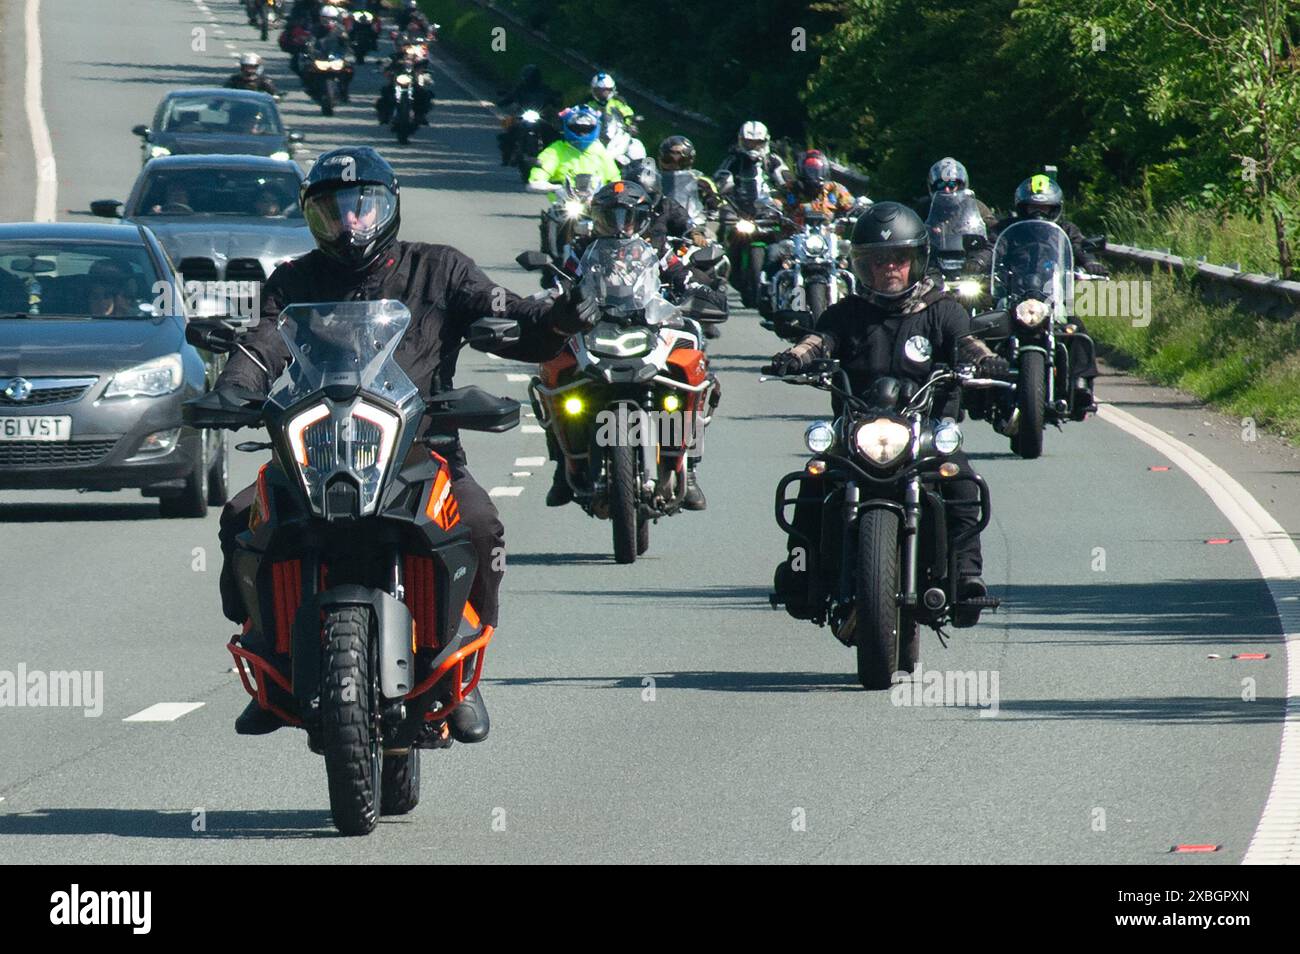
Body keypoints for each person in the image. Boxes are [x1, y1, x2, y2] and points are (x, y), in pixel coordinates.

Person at [212, 147, 597, 742]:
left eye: (362, 207)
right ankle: (272, 665)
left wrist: (562, 317)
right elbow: (265, 341)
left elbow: (514, 318)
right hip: (315, 450)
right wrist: (233, 391)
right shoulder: (294, 279)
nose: (350, 223)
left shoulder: (441, 268)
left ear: (388, 207)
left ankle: (466, 673)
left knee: (480, 523)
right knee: (241, 517)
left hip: (424, 447)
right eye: (333, 211)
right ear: (314, 217)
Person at [767, 202, 1006, 626]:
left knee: (963, 484)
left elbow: (968, 343)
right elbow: (819, 340)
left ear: (915, 261)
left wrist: (987, 361)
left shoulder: (941, 309)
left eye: (897, 259)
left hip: (924, 430)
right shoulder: (848, 314)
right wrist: (795, 356)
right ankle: (801, 572)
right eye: (878, 262)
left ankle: (967, 575)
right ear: (863, 266)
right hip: (856, 430)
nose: (889, 269)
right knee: (812, 483)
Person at [541, 180, 720, 510]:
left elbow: (684, 276)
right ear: (598, 217)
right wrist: (549, 300)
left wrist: (703, 291)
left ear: (642, 219)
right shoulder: (582, 250)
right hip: (596, 325)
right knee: (550, 371)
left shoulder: (657, 250)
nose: (621, 224)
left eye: (628, 216)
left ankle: (688, 470)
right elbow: (559, 283)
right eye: (612, 216)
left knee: (695, 358)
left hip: (648, 323)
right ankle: (562, 467)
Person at [990, 174, 1104, 415]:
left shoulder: (1065, 230)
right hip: (1014, 292)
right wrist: (979, 260)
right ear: (1022, 208)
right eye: (1033, 208)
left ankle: (1080, 385)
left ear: (1055, 209)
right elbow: (992, 246)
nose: (1038, 214)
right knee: (987, 326)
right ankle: (981, 384)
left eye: (1044, 208)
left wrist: (1091, 262)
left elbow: (1079, 248)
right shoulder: (1005, 229)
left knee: (1076, 329)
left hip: (1052, 294)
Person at [496, 64, 558, 165]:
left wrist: (555, 100)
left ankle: (551, 157)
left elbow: (553, 98)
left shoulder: (544, 89)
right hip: (523, 116)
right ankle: (507, 156)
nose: (529, 80)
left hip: (540, 116)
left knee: (553, 135)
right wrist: (503, 101)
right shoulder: (521, 88)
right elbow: (511, 96)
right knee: (509, 132)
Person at [913, 157, 996, 230]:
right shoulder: (923, 207)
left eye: (951, 185)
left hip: (968, 247)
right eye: (941, 185)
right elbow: (910, 230)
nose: (946, 189)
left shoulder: (975, 206)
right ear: (932, 187)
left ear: (961, 186)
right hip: (932, 247)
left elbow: (995, 231)